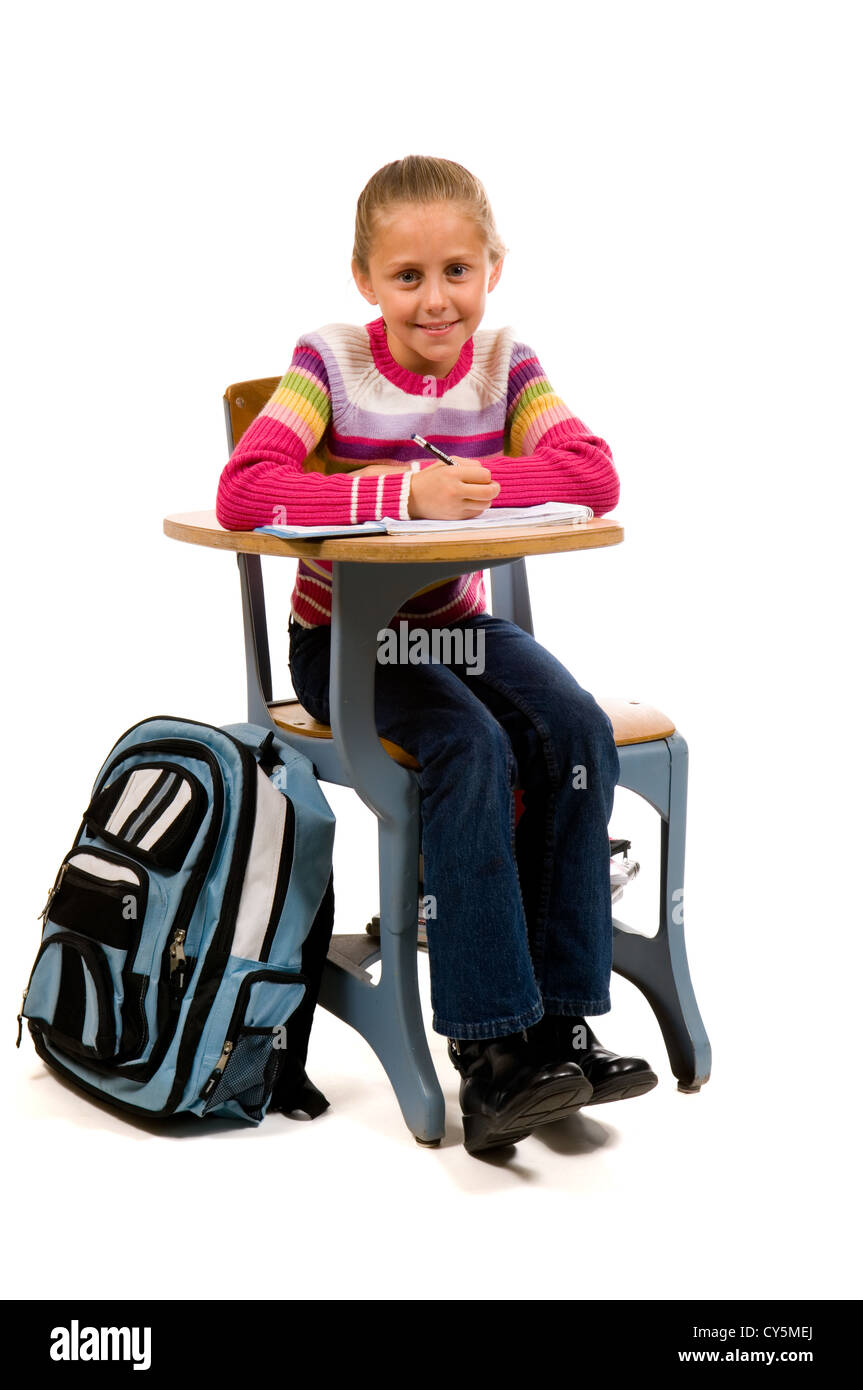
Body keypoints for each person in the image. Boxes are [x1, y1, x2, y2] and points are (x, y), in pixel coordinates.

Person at [216, 154, 657, 1155]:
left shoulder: (508, 364)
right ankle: (491, 1054)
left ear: (493, 266)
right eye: (406, 276)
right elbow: (249, 490)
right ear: (364, 279)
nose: (434, 299)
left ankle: (557, 1023)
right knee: (470, 749)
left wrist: (481, 481)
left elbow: (590, 474)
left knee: (574, 729)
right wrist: (396, 495)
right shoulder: (328, 361)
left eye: (456, 270)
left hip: (458, 628)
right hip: (350, 642)